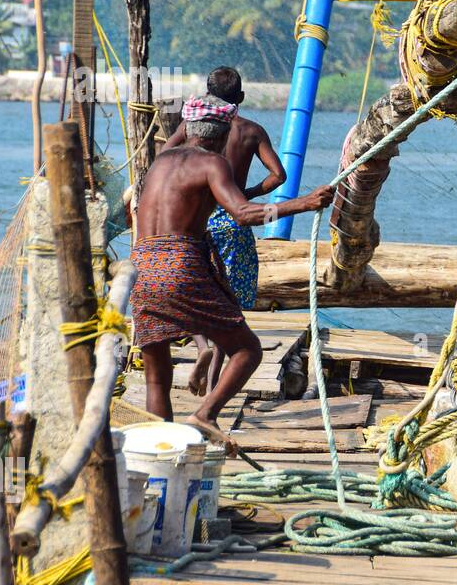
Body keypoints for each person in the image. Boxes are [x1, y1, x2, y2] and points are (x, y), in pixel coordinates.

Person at [130, 95, 333, 438]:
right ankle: (206, 413)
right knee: (247, 350)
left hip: (140, 267)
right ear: (220, 134)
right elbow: (243, 214)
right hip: (180, 265)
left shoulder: (160, 162)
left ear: (190, 129)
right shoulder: (212, 163)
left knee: (156, 376)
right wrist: (303, 204)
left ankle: (159, 453)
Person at [162, 67, 287, 396]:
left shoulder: (193, 126)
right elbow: (278, 175)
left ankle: (201, 345)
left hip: (197, 216)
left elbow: (164, 155)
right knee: (227, 299)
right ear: (241, 98)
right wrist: (246, 194)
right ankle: (215, 373)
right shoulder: (251, 130)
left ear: (206, 92)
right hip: (235, 218)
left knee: (193, 286)